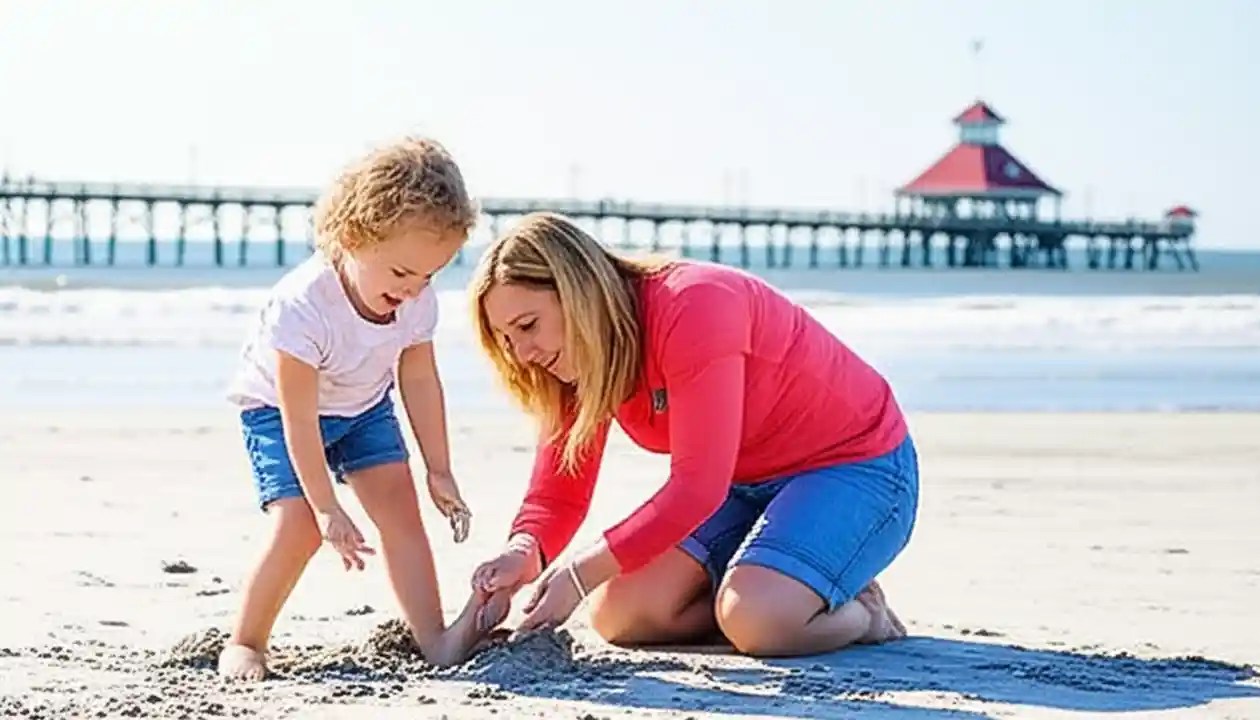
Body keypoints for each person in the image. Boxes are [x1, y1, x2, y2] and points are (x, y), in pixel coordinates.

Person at [466, 211, 917, 657]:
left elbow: (696, 488)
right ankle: (772, 587)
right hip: (742, 486)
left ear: (578, 291)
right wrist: (522, 553)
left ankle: (862, 614)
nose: (522, 353)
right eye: (507, 339)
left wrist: (578, 574)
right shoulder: (570, 363)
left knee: (758, 622)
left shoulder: (693, 304)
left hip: (858, 464)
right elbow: (557, 496)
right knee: (620, 614)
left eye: (528, 326)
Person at [219, 137, 487, 679]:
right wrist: (325, 508)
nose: (413, 291)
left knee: (402, 514)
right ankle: (246, 641)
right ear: (352, 237)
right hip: (282, 411)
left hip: (364, 405)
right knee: (298, 527)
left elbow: (419, 378)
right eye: (401, 274)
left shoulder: (415, 301)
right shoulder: (304, 306)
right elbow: (298, 418)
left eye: (429, 277)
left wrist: (440, 468)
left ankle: (433, 638)